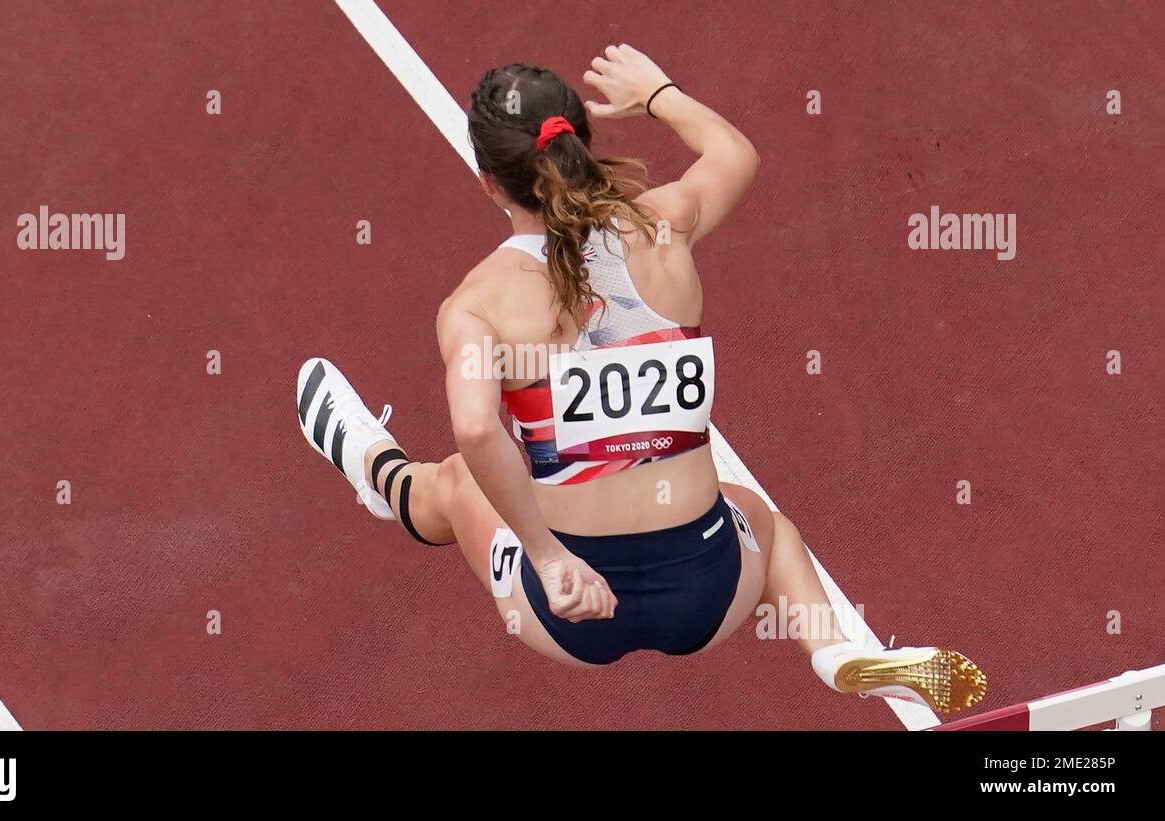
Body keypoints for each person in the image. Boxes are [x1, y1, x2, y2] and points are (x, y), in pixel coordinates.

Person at [298, 45, 986, 714]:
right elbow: (735, 157)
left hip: (573, 610)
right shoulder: (662, 227)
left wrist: (548, 557)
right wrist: (659, 94)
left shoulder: (478, 301)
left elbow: (478, 427)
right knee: (765, 523)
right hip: (708, 589)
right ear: (581, 142)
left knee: (457, 479)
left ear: (488, 180)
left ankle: (377, 472)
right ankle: (831, 648)